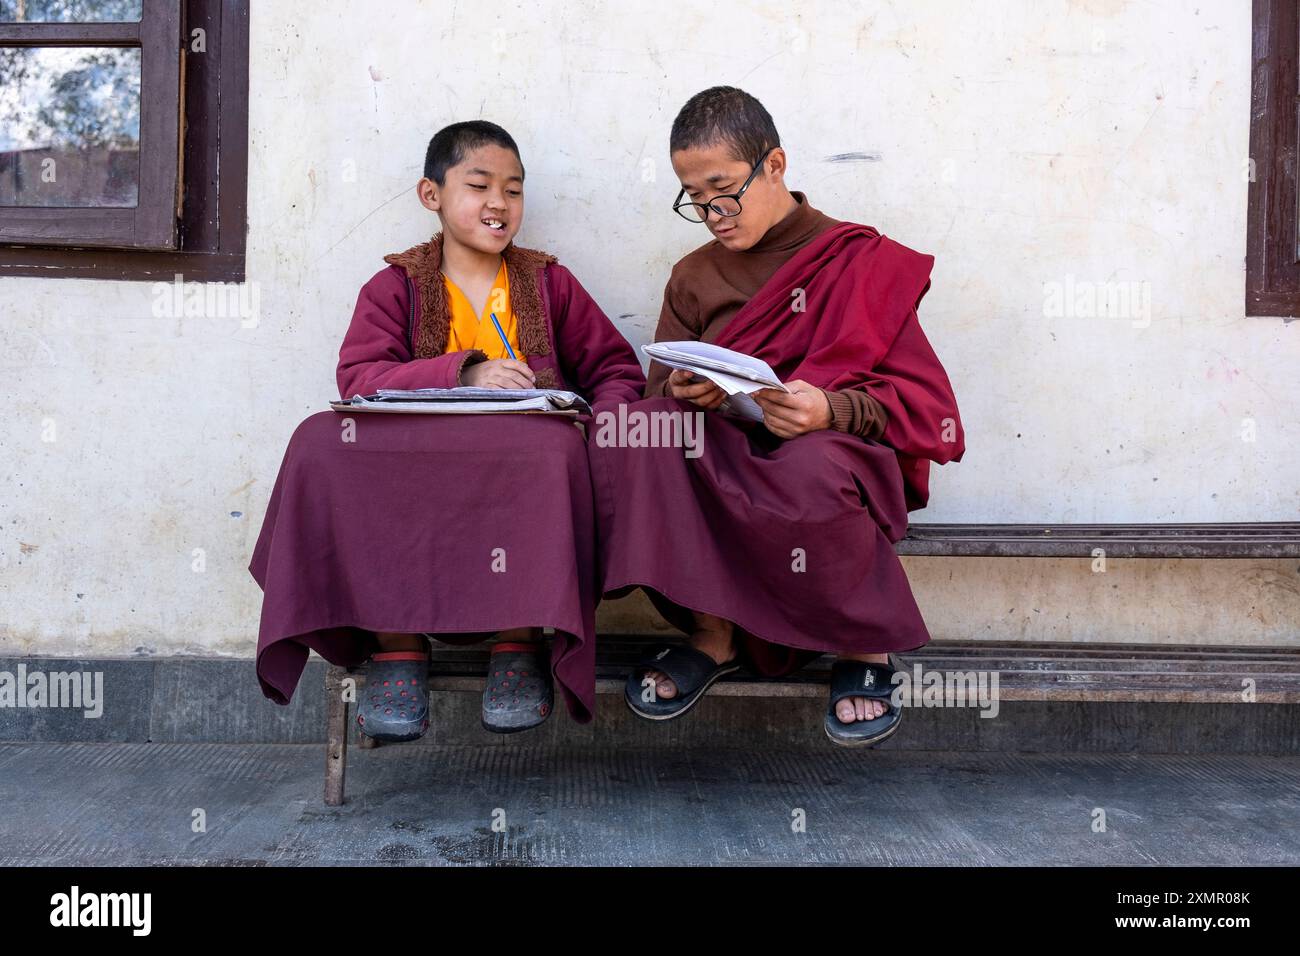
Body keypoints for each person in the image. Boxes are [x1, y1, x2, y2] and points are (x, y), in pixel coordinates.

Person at [588, 87, 965, 746]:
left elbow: (928, 406)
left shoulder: (859, 261)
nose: (712, 213)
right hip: (724, 453)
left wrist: (830, 408)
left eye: (723, 189)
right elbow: (656, 398)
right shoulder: (694, 275)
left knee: (810, 467)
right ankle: (715, 633)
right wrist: (686, 393)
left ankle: (862, 647)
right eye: (694, 198)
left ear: (775, 165)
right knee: (639, 444)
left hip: (825, 450)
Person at [249, 121, 645, 740]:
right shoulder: (396, 285)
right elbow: (359, 378)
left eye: (513, 191)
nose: (499, 204)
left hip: (518, 452)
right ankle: (395, 648)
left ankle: (519, 642)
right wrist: (466, 372)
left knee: (552, 449)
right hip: (418, 454)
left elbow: (616, 369)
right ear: (431, 195)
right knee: (318, 442)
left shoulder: (547, 283)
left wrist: (595, 422)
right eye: (479, 185)